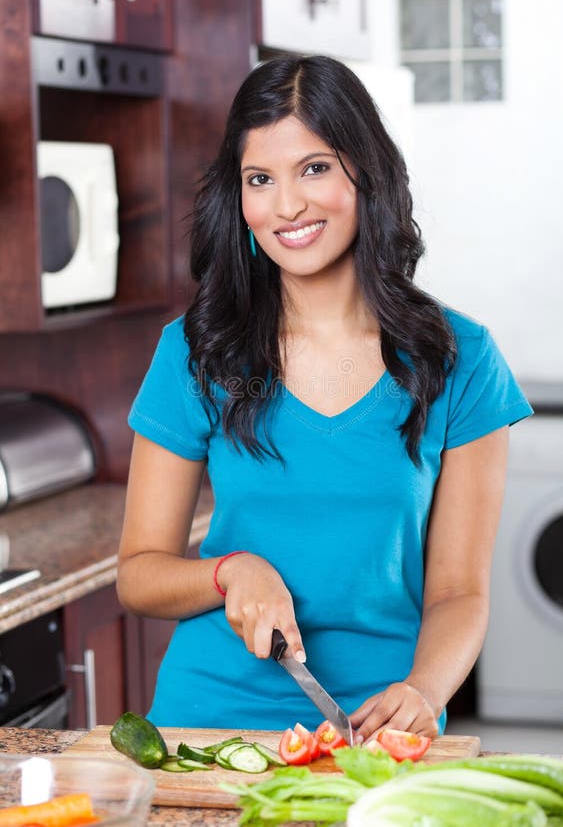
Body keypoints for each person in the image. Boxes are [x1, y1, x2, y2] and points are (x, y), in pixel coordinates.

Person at [117, 55, 532, 740]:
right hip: (211, 729)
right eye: (261, 179)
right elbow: (139, 575)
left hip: (382, 729)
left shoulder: (459, 360)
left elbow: (459, 593)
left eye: (314, 168)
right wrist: (230, 573)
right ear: (240, 198)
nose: (287, 205)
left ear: (364, 173)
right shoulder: (198, 354)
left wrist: (423, 692)